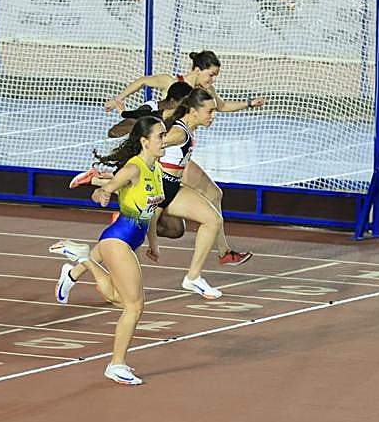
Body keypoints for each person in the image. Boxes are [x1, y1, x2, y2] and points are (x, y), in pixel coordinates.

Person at [95, 50, 265, 265]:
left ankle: (222, 252)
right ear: (197, 69)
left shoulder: (206, 92)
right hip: (165, 155)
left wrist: (249, 103)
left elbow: (222, 107)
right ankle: (221, 253)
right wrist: (119, 100)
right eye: (211, 74)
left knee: (184, 221)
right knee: (205, 198)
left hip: (179, 153)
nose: (213, 80)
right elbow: (143, 81)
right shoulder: (173, 83)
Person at [65, 88, 227, 298]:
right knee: (128, 237)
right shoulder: (178, 133)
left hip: (172, 187)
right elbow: (149, 147)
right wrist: (124, 168)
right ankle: (99, 180)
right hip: (161, 187)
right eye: (210, 111)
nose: (214, 115)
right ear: (194, 111)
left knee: (211, 220)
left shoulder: (186, 127)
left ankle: (193, 277)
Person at [53, 116, 166, 386]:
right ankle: (117, 364)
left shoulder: (157, 170)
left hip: (132, 241)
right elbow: (106, 189)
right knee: (135, 306)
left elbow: (150, 212)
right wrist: (101, 194)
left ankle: (83, 260)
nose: (164, 140)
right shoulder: (134, 168)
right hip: (117, 241)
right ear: (144, 141)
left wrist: (153, 243)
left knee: (117, 298)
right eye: (160, 136)